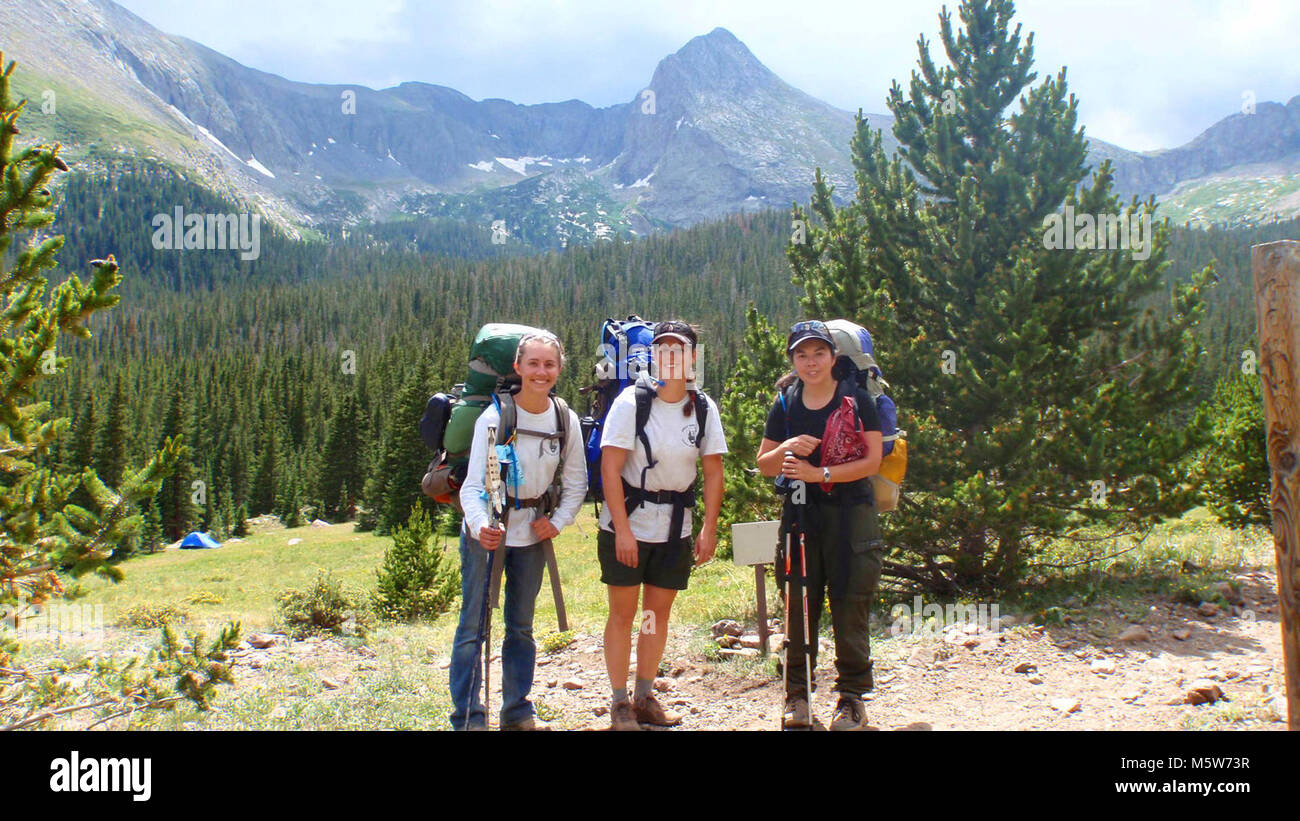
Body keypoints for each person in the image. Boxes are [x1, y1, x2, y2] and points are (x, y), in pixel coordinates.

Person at [451, 331, 587, 731]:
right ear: (518, 367)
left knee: (521, 628)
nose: (541, 372)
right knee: (472, 626)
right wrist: (479, 527)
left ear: (559, 369)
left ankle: (516, 712)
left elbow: (577, 481)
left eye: (549, 365)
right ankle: (468, 717)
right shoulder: (495, 417)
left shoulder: (565, 419)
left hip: (532, 536)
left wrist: (557, 521)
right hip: (489, 534)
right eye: (533, 364)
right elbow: (473, 487)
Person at [598, 320, 726, 730]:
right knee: (622, 614)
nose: (670, 356)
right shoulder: (631, 403)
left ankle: (644, 695)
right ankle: (620, 702)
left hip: (674, 529)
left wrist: (708, 528)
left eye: (679, 349)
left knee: (656, 614)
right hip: (629, 524)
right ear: (653, 355)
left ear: (693, 357)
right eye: (662, 349)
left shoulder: (703, 407)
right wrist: (622, 530)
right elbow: (611, 467)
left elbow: (713, 470)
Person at [756, 320, 883, 731]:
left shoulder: (858, 399)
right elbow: (764, 464)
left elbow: (872, 462)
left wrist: (820, 474)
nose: (810, 363)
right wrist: (789, 449)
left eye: (818, 354)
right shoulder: (786, 403)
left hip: (851, 513)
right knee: (799, 604)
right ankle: (798, 695)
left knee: (850, 602)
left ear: (833, 357)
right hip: (800, 516)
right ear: (793, 360)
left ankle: (850, 699)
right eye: (801, 355)